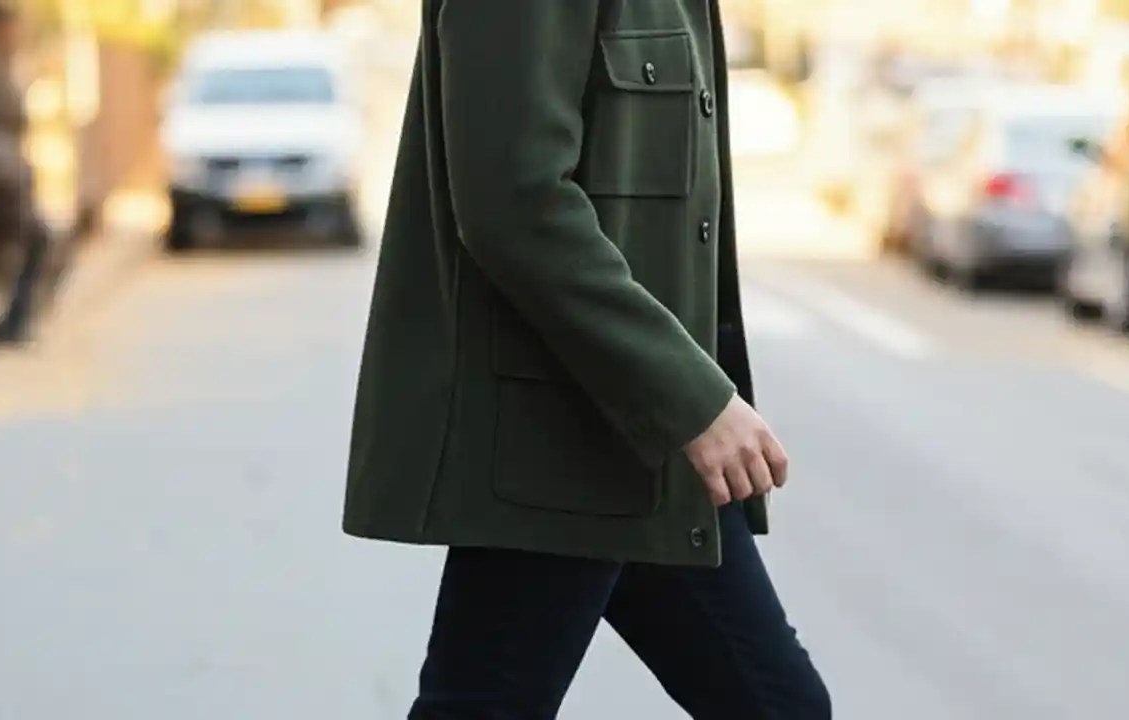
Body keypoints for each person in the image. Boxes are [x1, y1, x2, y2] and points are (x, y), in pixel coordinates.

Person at [343, 2, 830, 717]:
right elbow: (516, 202)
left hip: (642, 435)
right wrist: (693, 399)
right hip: (553, 442)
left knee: (776, 706)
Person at [0, 3, 50, 342]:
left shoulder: (5, 68)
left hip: (11, 171)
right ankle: (11, 321)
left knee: (37, 243)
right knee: (28, 243)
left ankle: (15, 319)